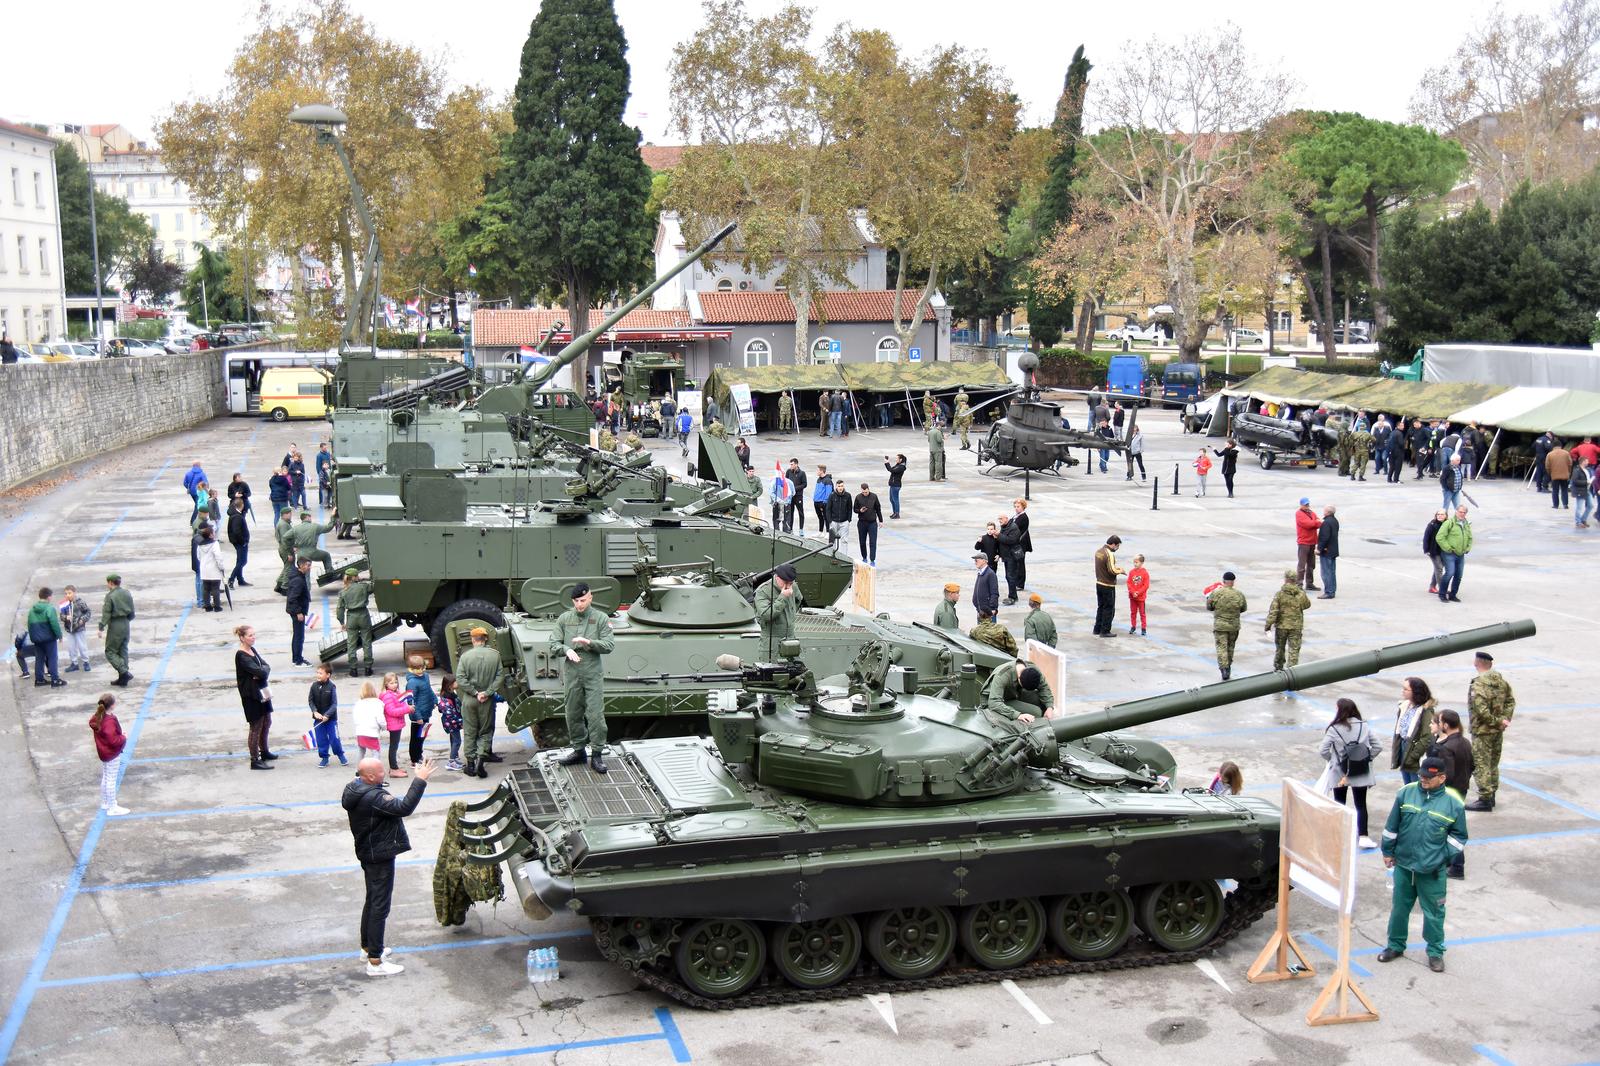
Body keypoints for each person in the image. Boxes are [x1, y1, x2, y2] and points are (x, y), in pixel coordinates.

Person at [343, 753, 437, 977]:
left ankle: (368, 948)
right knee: (379, 906)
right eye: (381, 772)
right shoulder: (373, 797)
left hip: (368, 852)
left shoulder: (354, 788)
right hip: (379, 856)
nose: (385, 774)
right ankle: (375, 961)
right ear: (370, 776)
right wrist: (420, 779)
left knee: (372, 900)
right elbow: (404, 807)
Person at [1377, 756, 1465, 973]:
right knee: (1399, 908)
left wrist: (1442, 857)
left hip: (1432, 871)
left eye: (1428, 777)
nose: (1423, 779)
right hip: (1405, 866)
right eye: (1421, 775)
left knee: (1435, 913)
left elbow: (1459, 837)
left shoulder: (1453, 803)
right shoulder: (1406, 793)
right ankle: (1395, 946)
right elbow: (1392, 825)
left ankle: (1435, 952)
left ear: (1442, 778)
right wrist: (1387, 851)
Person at [551, 583, 615, 774]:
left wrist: (589, 643)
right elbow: (553, 642)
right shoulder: (565, 618)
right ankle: (578, 751)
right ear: (573, 601)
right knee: (572, 713)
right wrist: (567, 649)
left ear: (590, 598)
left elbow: (609, 645)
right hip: (572, 671)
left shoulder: (601, 618)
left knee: (595, 715)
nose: (580, 604)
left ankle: (596, 754)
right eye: (577, 601)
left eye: (583, 600)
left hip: (592, 671)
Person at [1320, 697, 1383, 848]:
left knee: (1339, 802)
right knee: (1360, 804)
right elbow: (1378, 746)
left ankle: (1339, 833)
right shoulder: (1364, 726)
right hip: (1360, 770)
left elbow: (1323, 750)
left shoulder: (1334, 729)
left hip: (1340, 772)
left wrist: (1333, 760)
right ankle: (1363, 836)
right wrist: (1366, 759)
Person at [1465, 650, 1515, 812]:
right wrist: (1503, 720)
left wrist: (1495, 722)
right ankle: (1492, 794)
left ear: (1476, 663)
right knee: (1493, 762)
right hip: (1497, 731)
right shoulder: (1501, 682)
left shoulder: (1478, 684)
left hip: (1482, 731)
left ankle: (1485, 799)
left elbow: (1480, 709)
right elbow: (1510, 701)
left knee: (1481, 764)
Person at [1427, 710, 1473, 879]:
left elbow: (1448, 775)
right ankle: (1452, 863)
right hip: (1462, 789)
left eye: (1438, 722)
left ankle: (1457, 866)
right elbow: (1472, 766)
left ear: (1445, 725)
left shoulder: (1447, 748)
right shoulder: (1465, 742)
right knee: (1454, 826)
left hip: (1450, 792)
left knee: (1448, 829)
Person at [455, 627, 503, 779]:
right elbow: (500, 677)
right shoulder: (495, 656)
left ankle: (470, 765)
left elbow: (461, 679)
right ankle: (481, 761)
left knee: (470, 731)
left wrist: (475, 693)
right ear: (486, 639)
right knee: (485, 730)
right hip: (486, 700)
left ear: (473, 639)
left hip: (470, 699)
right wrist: (487, 693)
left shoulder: (465, 656)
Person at [234, 624, 275, 770]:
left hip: (262, 690)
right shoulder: (241, 655)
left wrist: (261, 671)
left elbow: (265, 667)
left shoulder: (252, 650)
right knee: (256, 726)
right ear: (242, 638)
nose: (253, 637)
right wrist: (261, 671)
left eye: (254, 634)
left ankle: (264, 751)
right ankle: (254, 759)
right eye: (250, 635)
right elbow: (261, 671)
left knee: (267, 721)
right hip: (251, 695)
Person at [1391, 677, 1437, 785]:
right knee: (1407, 784)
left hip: (1413, 749)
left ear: (1416, 692)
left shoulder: (1425, 711)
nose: (1403, 691)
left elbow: (1427, 737)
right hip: (1404, 746)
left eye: (1406, 689)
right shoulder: (1405, 706)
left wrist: (1413, 756)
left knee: (1415, 784)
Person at [91, 693, 130, 816]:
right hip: (111, 754)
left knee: (106, 777)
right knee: (111, 780)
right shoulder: (109, 721)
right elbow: (113, 741)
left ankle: (105, 802)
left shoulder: (98, 717)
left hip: (103, 752)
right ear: (112, 706)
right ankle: (112, 807)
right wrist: (123, 737)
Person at [1265, 570, 1311, 673]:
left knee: (1280, 649)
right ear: (1295, 580)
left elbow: (1273, 611)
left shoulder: (1280, 594)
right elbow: (1307, 605)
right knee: (1294, 649)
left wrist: (1268, 626)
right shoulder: (1300, 594)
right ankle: (1292, 671)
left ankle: (1278, 667)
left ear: (1286, 579)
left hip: (1282, 626)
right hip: (1296, 626)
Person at [754, 563, 801, 658]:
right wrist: (783, 597)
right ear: (777, 577)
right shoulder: (763, 591)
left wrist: (789, 616)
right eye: (785, 583)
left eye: (790, 583)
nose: (788, 586)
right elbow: (766, 615)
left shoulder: (793, 586)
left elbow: (798, 600)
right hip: (772, 643)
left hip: (791, 640)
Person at [1207, 571, 1247, 680]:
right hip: (1234, 626)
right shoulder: (1239, 594)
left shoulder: (1216, 593)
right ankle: (1228, 667)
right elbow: (1243, 608)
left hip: (1220, 625)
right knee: (1230, 647)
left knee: (1221, 648)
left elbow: (1209, 607)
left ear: (1223, 581)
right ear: (1233, 582)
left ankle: (1224, 669)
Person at [984, 661, 1053, 721]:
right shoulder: (1002, 675)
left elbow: (1044, 687)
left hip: (1015, 694)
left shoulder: (1033, 671)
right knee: (1036, 712)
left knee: (1042, 702)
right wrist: (1018, 715)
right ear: (1019, 678)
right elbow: (994, 703)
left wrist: (1049, 707)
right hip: (1002, 700)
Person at [337, 569, 375, 678]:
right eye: (357, 575)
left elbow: (340, 609)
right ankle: (368, 668)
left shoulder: (344, 591)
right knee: (366, 642)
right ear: (353, 577)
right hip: (363, 615)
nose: (358, 577)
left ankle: (353, 669)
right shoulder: (363, 586)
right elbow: (373, 586)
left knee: (351, 644)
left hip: (351, 617)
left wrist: (342, 622)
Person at [308, 662, 347, 767]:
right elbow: (310, 701)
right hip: (318, 719)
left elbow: (334, 704)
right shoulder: (314, 686)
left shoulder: (332, 687)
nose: (318, 675)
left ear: (328, 675)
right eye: (317, 673)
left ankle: (340, 755)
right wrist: (315, 712)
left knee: (334, 738)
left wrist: (327, 715)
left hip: (331, 719)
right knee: (321, 739)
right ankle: (324, 757)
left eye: (321, 673)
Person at [99, 574, 135, 687]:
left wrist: (101, 626)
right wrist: (127, 619)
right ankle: (122, 678)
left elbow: (107, 613)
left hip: (115, 624)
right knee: (123, 649)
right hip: (126, 623)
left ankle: (124, 672)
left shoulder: (110, 596)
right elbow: (132, 611)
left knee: (110, 651)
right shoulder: (127, 593)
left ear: (110, 582)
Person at [26, 587, 64, 688]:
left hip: (37, 639)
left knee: (39, 659)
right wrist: (59, 635)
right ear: (49, 597)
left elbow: (29, 625)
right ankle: (55, 680)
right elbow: (54, 624)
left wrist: (33, 637)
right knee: (52, 658)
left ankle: (39, 680)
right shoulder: (49, 608)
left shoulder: (32, 609)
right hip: (49, 638)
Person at [1434, 504, 1472, 603]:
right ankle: (1442, 594)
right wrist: (1448, 548)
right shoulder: (1449, 523)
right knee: (1450, 573)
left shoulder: (1466, 523)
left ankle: (1452, 595)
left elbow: (1470, 537)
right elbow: (1439, 537)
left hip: (1461, 554)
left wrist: (1468, 547)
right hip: (1449, 554)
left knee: (1459, 575)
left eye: (1464, 512)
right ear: (1456, 512)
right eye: (1460, 512)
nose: (1462, 514)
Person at [404, 656, 436, 768]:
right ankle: (414, 759)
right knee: (416, 738)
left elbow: (429, 690)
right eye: (418, 669)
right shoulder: (412, 683)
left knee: (422, 736)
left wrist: (435, 700)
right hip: (418, 716)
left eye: (423, 667)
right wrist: (417, 716)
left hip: (426, 712)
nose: (422, 670)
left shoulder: (425, 676)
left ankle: (419, 755)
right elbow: (410, 701)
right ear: (411, 669)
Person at [289, 509, 337, 580]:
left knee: (304, 574)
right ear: (307, 517)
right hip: (312, 553)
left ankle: (302, 587)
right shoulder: (315, 527)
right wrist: (333, 516)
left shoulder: (296, 528)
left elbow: (285, 537)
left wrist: (292, 547)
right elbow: (328, 528)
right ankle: (330, 574)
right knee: (326, 556)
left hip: (300, 555)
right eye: (310, 517)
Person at [1092, 535, 1124, 637]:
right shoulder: (1109, 554)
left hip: (1099, 583)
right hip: (1107, 585)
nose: (1117, 548)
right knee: (1109, 608)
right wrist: (1120, 571)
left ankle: (1097, 628)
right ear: (1113, 544)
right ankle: (1105, 631)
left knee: (1101, 607)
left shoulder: (1099, 551)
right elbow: (1112, 570)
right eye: (1117, 546)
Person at [379, 672, 410, 778]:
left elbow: (401, 704)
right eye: (391, 683)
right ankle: (393, 769)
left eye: (396, 682)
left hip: (397, 723)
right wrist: (407, 709)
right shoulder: (387, 695)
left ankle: (395, 767)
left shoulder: (396, 692)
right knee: (393, 746)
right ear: (386, 684)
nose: (394, 684)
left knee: (394, 746)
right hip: (393, 724)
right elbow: (392, 711)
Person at [60, 586, 91, 673]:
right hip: (69, 629)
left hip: (79, 628)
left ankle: (86, 662)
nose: (68, 595)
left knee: (82, 646)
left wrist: (82, 619)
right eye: (66, 594)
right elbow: (61, 616)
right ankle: (74, 663)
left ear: (74, 593)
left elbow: (88, 612)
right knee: (71, 647)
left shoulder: (80, 602)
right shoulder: (64, 604)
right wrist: (66, 617)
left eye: (69, 593)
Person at [352, 680, 386, 760]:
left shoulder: (358, 703)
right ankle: (375, 770)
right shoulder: (377, 703)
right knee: (375, 752)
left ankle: (359, 770)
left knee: (361, 751)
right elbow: (380, 718)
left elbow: (355, 718)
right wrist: (384, 727)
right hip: (372, 732)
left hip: (360, 732)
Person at [1294, 498, 1321, 591]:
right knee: (1302, 565)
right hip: (1304, 542)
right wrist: (1315, 522)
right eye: (1305, 504)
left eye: (1307, 504)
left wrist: (1315, 522)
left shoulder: (1311, 512)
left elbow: (1318, 523)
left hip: (1312, 542)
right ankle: (1299, 584)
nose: (1307, 506)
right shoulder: (1299, 514)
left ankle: (1309, 583)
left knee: (1311, 564)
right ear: (1301, 505)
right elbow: (1308, 524)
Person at [198, 526, 227, 613]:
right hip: (213, 568)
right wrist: (221, 567)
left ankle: (207, 606)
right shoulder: (214, 544)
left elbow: (198, 556)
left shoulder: (200, 545)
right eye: (213, 532)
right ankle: (217, 606)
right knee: (215, 588)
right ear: (210, 535)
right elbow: (218, 556)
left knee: (206, 588)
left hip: (204, 568)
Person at [438, 674, 463, 771]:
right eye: (455, 681)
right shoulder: (447, 699)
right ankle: (451, 761)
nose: (457, 683)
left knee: (454, 741)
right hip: (452, 723)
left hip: (453, 722)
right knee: (457, 741)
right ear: (450, 685)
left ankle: (455, 758)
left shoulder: (452, 694)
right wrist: (461, 722)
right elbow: (450, 715)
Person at [225, 496, 251, 588]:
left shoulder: (235, 513)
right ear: (242, 505)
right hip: (240, 542)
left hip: (237, 541)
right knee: (242, 561)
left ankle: (240, 579)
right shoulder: (237, 516)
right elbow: (237, 531)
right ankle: (231, 579)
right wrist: (243, 541)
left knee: (239, 560)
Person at [854, 482, 882, 566]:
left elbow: (878, 509)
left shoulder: (874, 496)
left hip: (872, 523)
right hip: (862, 523)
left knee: (872, 542)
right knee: (862, 542)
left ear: (868, 489)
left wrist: (881, 520)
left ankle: (872, 559)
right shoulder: (858, 497)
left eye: (866, 492)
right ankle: (864, 557)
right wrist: (860, 510)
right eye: (863, 492)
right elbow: (854, 509)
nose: (865, 493)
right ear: (861, 490)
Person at [997, 513, 1023, 605]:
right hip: (1007, 556)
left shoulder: (1013, 527)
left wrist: (998, 535)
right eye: (998, 519)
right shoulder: (1005, 526)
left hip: (1012, 556)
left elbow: (1010, 540)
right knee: (1008, 576)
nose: (999, 520)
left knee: (1011, 576)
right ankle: (1013, 596)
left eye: (1001, 518)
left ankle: (1012, 597)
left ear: (1006, 518)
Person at [1316, 505, 1340, 599]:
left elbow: (1324, 537)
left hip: (1327, 551)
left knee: (1326, 573)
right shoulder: (1335, 521)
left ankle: (1329, 592)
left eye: (1324, 510)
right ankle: (1332, 590)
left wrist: (1319, 549)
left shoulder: (1326, 523)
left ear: (1328, 512)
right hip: (1333, 550)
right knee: (1332, 572)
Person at [1423, 508, 1447, 595]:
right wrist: (1426, 550)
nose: (1440, 516)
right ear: (1436, 516)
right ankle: (1442, 589)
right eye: (1438, 514)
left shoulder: (1447, 524)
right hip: (1433, 551)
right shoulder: (1432, 525)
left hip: (1443, 550)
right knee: (1439, 568)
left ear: (1446, 516)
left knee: (1438, 569)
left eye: (1442, 514)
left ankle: (1432, 587)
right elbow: (1426, 537)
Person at [825, 475, 853, 551]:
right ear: (836, 487)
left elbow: (850, 508)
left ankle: (844, 557)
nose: (840, 487)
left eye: (842, 486)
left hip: (844, 522)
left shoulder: (848, 495)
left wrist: (848, 520)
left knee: (844, 541)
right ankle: (833, 556)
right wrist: (830, 521)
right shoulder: (832, 495)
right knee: (832, 541)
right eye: (839, 486)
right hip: (833, 522)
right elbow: (828, 509)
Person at [272, 506, 296, 595]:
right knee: (289, 568)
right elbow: (285, 539)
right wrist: (290, 552)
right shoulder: (283, 525)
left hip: (284, 548)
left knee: (287, 567)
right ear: (284, 515)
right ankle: (285, 588)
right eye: (289, 514)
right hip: (286, 549)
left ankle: (279, 585)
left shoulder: (283, 523)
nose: (291, 515)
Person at [1011, 499, 1032, 590]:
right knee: (1017, 563)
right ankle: (1017, 582)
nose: (1016, 508)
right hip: (1018, 543)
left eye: (1018, 506)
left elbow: (1014, 527)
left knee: (1020, 563)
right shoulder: (1017, 516)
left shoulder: (1023, 517)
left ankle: (1020, 584)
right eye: (1015, 506)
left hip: (1021, 543)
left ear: (1023, 507)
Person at [1126, 554, 1149, 636]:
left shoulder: (1145, 573)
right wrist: (1133, 592)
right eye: (1134, 562)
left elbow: (1146, 585)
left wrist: (1138, 592)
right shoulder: (1131, 572)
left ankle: (1143, 628)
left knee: (1142, 613)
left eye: (1137, 562)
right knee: (1133, 612)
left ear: (1142, 563)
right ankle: (1133, 626)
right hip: (1132, 597)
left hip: (1141, 598)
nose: (1135, 564)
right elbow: (1128, 583)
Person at [1545, 438, 1572, 509]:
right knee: (1564, 490)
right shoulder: (1566, 453)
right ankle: (1565, 504)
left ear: (1553, 446)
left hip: (1554, 475)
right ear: (1561, 446)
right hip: (1565, 475)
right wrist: (1568, 472)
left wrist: (1550, 473)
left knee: (1555, 490)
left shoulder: (1549, 454)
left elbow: (1547, 466)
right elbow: (1570, 463)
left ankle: (1555, 505)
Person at [971, 553, 999, 620]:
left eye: (976, 560)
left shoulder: (990, 574)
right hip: (980, 611)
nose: (975, 562)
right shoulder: (980, 573)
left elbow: (994, 593)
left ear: (984, 561)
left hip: (988, 613)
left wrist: (992, 608)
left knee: (989, 630)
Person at [785, 459, 807, 532]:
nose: (790, 466)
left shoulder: (802, 473)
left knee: (801, 512)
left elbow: (804, 484)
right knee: (790, 513)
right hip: (790, 496)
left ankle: (801, 529)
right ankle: (790, 528)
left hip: (798, 496)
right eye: (790, 464)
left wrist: (794, 488)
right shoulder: (788, 471)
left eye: (792, 464)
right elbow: (786, 481)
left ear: (796, 464)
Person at [768, 466, 792, 531]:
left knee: (776, 521)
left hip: (777, 504)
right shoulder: (789, 482)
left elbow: (771, 493)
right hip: (786, 504)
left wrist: (778, 500)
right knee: (786, 521)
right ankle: (786, 535)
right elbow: (793, 492)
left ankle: (777, 535)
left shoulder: (773, 482)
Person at [1572, 456, 1593, 528]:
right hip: (1580, 491)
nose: (1588, 462)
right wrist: (1586, 482)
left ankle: (1583, 519)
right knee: (1579, 507)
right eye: (1587, 461)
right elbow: (1574, 481)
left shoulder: (1587, 469)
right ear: (1583, 462)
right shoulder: (1577, 470)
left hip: (1587, 490)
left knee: (1590, 505)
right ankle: (1578, 522)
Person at [884, 454, 907, 518]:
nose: (896, 459)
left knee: (895, 499)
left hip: (896, 485)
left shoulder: (901, 467)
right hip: (893, 484)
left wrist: (887, 462)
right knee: (891, 499)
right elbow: (891, 469)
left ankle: (897, 513)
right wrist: (887, 463)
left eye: (897, 458)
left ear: (901, 459)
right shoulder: (898, 465)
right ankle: (894, 512)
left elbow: (892, 470)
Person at [812, 465, 834, 531]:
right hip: (816, 502)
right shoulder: (818, 479)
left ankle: (828, 532)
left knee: (826, 518)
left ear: (821, 471)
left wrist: (825, 502)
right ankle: (820, 531)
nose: (816, 472)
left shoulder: (828, 480)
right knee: (820, 517)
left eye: (818, 470)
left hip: (823, 503)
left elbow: (829, 493)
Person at [315, 442, 334, 508]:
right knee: (322, 489)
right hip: (322, 474)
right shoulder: (319, 455)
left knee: (329, 490)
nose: (325, 449)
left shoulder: (328, 454)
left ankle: (329, 502)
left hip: (328, 472)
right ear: (321, 448)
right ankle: (321, 502)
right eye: (324, 448)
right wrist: (320, 475)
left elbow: (329, 463)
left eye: (326, 447)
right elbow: (318, 466)